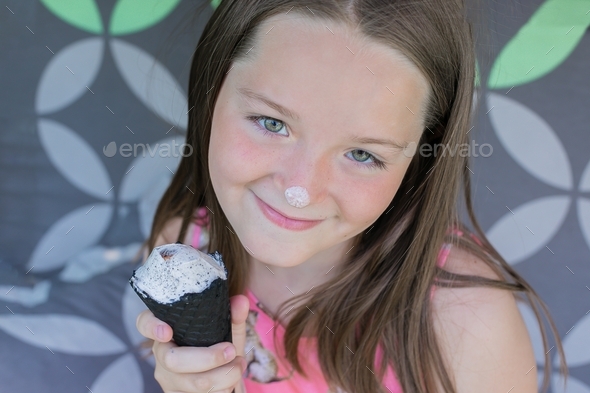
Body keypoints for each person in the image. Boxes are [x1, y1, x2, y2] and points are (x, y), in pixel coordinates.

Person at [135, 1, 567, 392]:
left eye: (362, 154)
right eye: (270, 123)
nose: (299, 190)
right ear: (213, 91)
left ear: (420, 153)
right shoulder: (183, 252)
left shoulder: (469, 326)